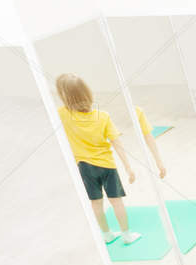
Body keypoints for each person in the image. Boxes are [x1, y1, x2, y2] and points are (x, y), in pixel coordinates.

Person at [55, 74, 141, 244]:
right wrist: (128, 167)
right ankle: (126, 235)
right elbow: (117, 143)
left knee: (96, 204)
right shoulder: (103, 117)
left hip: (85, 167)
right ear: (88, 94)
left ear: (64, 96)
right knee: (117, 202)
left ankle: (107, 234)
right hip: (107, 166)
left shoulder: (62, 115)